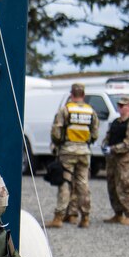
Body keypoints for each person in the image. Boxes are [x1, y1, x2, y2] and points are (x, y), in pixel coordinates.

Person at [45, 83, 99, 230]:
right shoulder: (91, 111)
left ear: (71, 94)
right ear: (83, 94)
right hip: (84, 152)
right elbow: (95, 134)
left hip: (68, 150)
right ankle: (85, 217)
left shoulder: (66, 110)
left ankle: (59, 217)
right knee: (83, 184)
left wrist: (59, 143)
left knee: (65, 182)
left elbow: (56, 131)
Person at [103, 95, 129, 226]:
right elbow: (108, 136)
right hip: (113, 159)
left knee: (126, 186)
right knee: (113, 186)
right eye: (119, 105)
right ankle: (118, 213)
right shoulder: (116, 121)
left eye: (122, 106)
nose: (119, 108)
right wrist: (105, 145)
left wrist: (113, 149)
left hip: (126, 159)